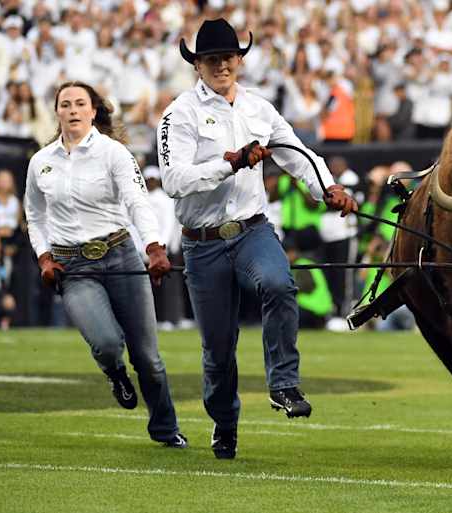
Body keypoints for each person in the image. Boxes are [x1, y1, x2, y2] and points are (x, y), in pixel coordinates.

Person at [157, 18, 358, 460]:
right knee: (217, 349)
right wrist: (229, 164)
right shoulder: (178, 114)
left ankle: (284, 384)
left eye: (228, 57)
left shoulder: (259, 109)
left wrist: (327, 189)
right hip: (202, 242)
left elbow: (298, 155)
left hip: (251, 229)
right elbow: (173, 180)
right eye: (212, 59)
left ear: (239, 60)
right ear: (198, 65)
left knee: (279, 283)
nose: (221, 65)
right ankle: (224, 422)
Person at [23, 81, 186, 449]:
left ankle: (165, 429)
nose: (73, 110)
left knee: (148, 358)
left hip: (120, 255)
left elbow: (136, 202)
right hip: (73, 266)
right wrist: (44, 256)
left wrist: (155, 248)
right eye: (66, 104)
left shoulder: (114, 153)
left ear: (94, 110)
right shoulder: (41, 162)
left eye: (80, 103)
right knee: (108, 343)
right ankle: (114, 372)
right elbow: (34, 215)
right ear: (58, 112)